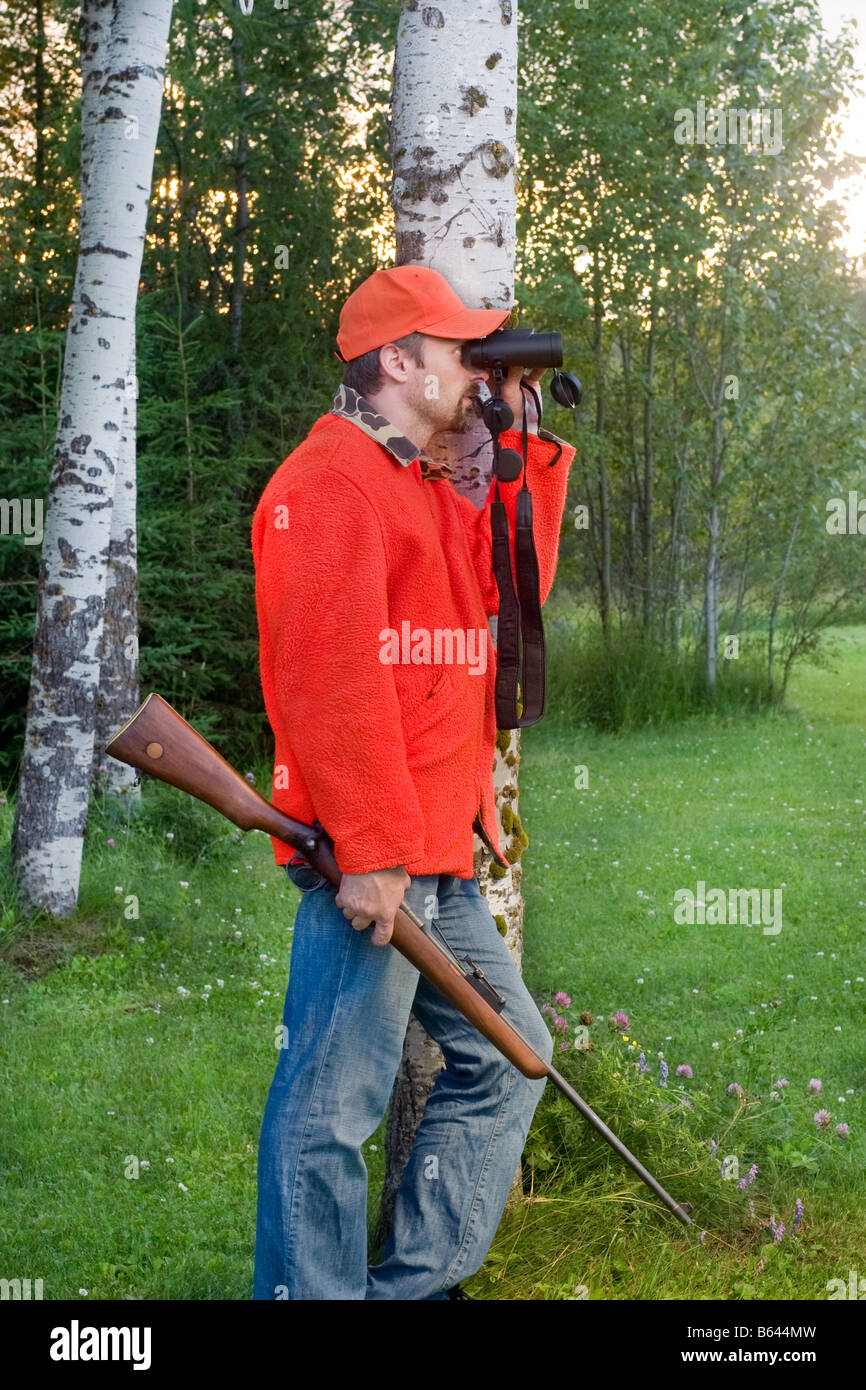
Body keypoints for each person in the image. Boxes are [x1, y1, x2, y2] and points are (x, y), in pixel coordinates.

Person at [250, 264, 575, 1300]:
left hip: (439, 854)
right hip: (378, 858)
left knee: (512, 1052)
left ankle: (406, 1288)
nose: (475, 371)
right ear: (397, 360)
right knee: (328, 1114)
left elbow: (505, 598)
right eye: (458, 351)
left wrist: (519, 443)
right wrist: (375, 854)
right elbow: (326, 679)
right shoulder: (326, 485)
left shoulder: (416, 483)